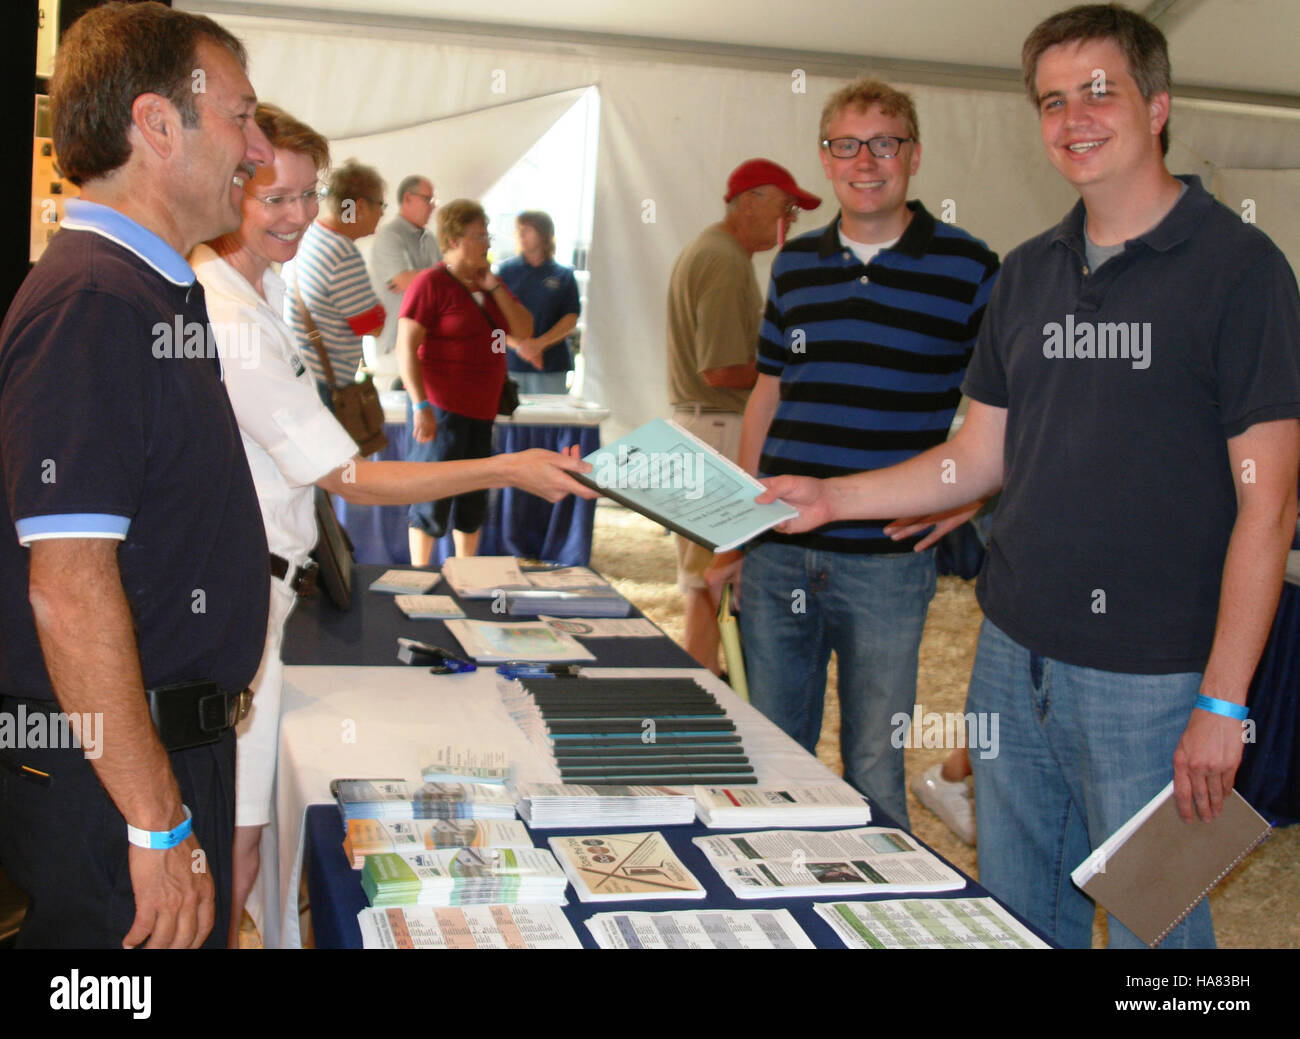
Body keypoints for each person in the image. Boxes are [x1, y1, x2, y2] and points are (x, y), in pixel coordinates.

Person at [758, 4, 1300, 948]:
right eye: (1051, 101)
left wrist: (1222, 700)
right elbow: (977, 457)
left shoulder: (1241, 270)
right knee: (1014, 911)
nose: (1073, 119)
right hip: (1013, 656)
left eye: (1099, 91)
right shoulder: (1028, 274)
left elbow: (1271, 500)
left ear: (1158, 103)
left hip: (1155, 676)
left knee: (1156, 931)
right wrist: (831, 496)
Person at [191, 106, 595, 944]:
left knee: (248, 834)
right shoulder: (227, 313)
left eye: (311, 196)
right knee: (233, 844)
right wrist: (504, 466)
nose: (299, 216)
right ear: (227, 181)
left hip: (263, 592)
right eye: (276, 195)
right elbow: (351, 475)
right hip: (239, 597)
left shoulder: (260, 287)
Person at [0, 2, 272, 948]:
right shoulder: (94, 301)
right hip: (115, 776)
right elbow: (69, 588)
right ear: (159, 125)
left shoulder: (146, 289)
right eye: (241, 116)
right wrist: (154, 816)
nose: (258, 148)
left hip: (152, 752)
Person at [710, 80, 999, 830]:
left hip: (887, 561)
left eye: (884, 143)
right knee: (774, 751)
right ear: (825, 157)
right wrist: (737, 526)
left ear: (914, 155)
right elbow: (767, 395)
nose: (865, 161)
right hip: (778, 552)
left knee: (874, 759)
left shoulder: (971, 268)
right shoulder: (795, 265)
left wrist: (973, 495)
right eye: (846, 144)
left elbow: (1014, 407)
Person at [668, 159, 821, 673]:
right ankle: (699, 692)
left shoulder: (716, 251)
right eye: (787, 206)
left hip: (706, 427)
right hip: (719, 427)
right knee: (708, 577)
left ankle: (706, 683)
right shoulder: (724, 260)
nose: (791, 220)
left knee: (708, 575)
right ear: (750, 200)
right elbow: (720, 369)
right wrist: (791, 370)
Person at [397, 200, 535, 564]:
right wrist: (420, 405)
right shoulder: (431, 283)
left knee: (473, 498)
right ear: (455, 239)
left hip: (482, 410)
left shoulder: (492, 286)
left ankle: (465, 572)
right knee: (431, 495)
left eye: (487, 235)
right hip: (441, 411)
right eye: (479, 235)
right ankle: (420, 575)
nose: (487, 243)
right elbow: (405, 348)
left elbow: (524, 330)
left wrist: (495, 287)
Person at [284, 158, 387, 408]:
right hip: (327, 387)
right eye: (381, 205)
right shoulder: (342, 253)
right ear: (359, 206)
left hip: (302, 373)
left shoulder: (310, 236)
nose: (382, 213)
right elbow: (371, 325)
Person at [367, 174, 440, 387]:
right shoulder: (389, 236)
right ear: (408, 198)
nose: (432, 207)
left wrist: (422, 277)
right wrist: (440, 274)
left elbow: (439, 282)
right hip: (395, 348)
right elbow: (402, 279)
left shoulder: (429, 239)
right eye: (428, 200)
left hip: (426, 347)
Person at [498, 210, 581, 395]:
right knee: (511, 421)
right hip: (512, 365)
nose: (521, 235)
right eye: (518, 230)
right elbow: (492, 319)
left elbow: (570, 318)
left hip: (551, 365)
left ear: (543, 234)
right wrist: (521, 347)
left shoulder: (563, 275)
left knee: (548, 421)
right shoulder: (505, 272)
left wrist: (538, 345)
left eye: (527, 230)